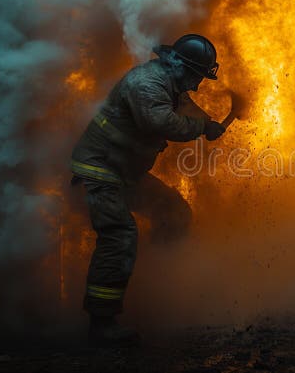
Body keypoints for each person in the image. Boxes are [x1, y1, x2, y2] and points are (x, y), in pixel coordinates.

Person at [70, 34, 226, 344]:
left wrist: (209, 122)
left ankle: (156, 284)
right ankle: (102, 324)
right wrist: (201, 129)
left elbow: (185, 105)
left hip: (125, 173)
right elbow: (159, 122)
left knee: (174, 212)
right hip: (100, 170)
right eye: (195, 76)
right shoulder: (147, 84)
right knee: (119, 236)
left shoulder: (171, 81)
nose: (196, 85)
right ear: (178, 64)